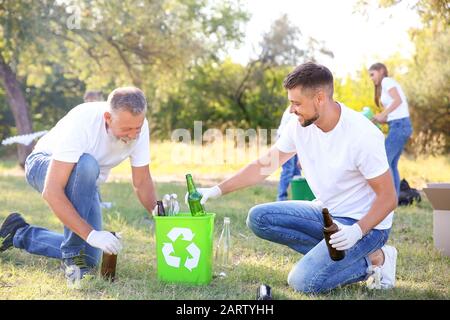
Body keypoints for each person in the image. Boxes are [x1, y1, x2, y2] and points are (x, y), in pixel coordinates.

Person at [189, 62, 399, 293]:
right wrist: (216, 190)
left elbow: (388, 198)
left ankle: (377, 258)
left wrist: (357, 231)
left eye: (296, 103)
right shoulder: (298, 126)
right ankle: (337, 257)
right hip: (326, 214)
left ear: (319, 98)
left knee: (303, 282)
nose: (291, 110)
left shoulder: (362, 135)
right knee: (259, 218)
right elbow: (263, 165)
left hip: (366, 225)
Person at [0, 87, 156, 282]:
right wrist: (91, 234)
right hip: (43, 164)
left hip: (84, 180)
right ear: (108, 118)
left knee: (91, 257)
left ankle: (18, 233)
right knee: (87, 164)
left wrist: (159, 212)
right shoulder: (83, 121)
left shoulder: (138, 126)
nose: (133, 135)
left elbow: (141, 181)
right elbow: (52, 191)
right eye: (126, 129)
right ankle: (72, 257)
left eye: (138, 128)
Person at [369, 63, 413, 198]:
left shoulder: (387, 81)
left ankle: (389, 199)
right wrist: (380, 119)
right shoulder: (384, 86)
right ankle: (394, 198)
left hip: (400, 125)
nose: (371, 78)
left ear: (381, 71)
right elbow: (396, 111)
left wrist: (383, 114)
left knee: (385, 161)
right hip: (398, 124)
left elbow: (398, 100)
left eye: (372, 74)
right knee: (392, 163)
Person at [277, 105, 301, 201]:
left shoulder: (300, 107)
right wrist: (300, 158)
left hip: (293, 140)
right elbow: (297, 135)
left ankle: (299, 198)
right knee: (288, 170)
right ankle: (281, 198)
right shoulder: (297, 111)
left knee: (296, 172)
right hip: (284, 139)